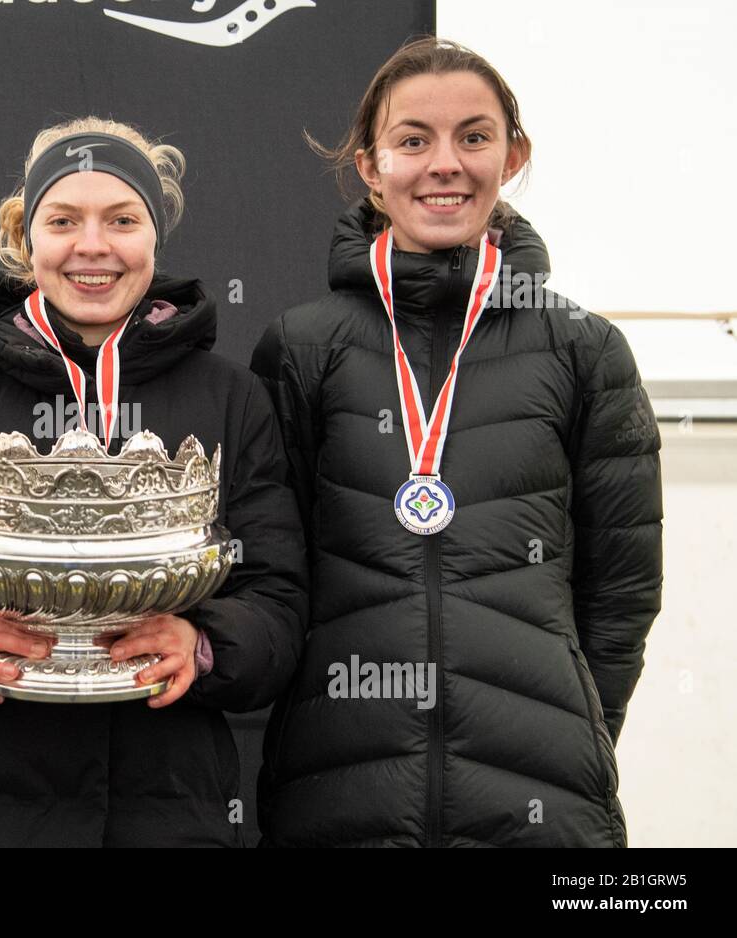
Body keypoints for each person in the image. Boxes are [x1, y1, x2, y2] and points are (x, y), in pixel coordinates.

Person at [0, 117, 307, 847]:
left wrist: (207, 646)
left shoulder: (231, 398)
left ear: (155, 234)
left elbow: (280, 602)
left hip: (174, 813)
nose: (93, 246)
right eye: (63, 220)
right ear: (27, 236)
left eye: (122, 219)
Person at [252, 38, 663, 847]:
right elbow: (271, 582)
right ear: (371, 167)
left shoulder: (585, 349)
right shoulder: (302, 348)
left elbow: (622, 595)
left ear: (513, 156)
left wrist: (569, 733)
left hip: (543, 808)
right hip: (335, 801)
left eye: (474, 137)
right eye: (414, 141)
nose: (445, 163)